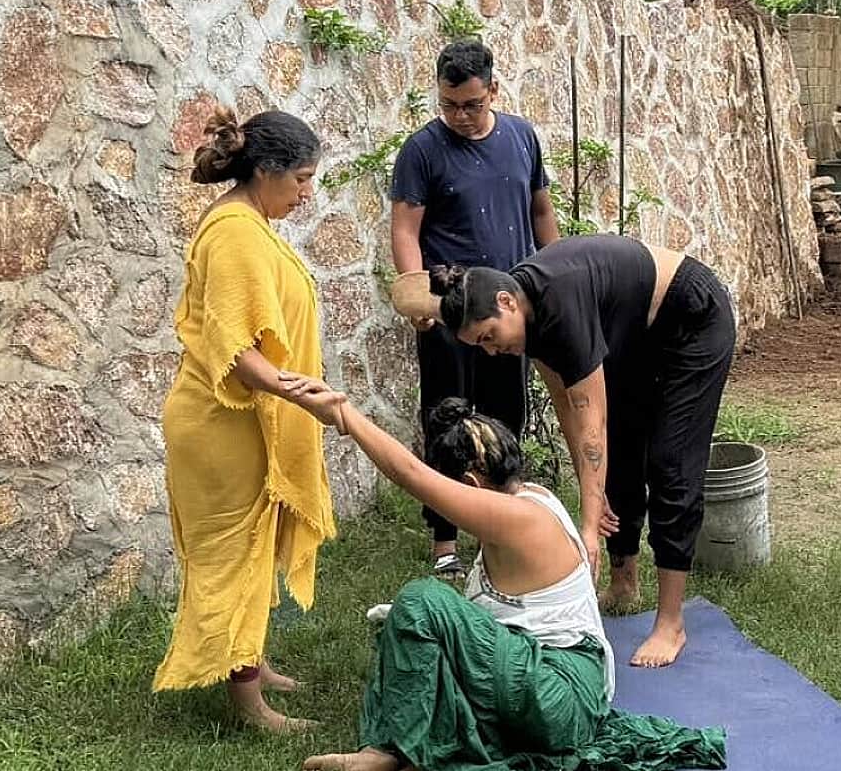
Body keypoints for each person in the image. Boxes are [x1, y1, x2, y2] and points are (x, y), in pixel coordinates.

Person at [276, 392, 727, 771]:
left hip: (560, 699)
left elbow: (412, 476)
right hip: (544, 686)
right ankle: (400, 747)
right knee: (406, 627)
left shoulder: (520, 517)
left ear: (471, 482)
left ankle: (386, 751)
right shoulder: (525, 501)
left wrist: (345, 415)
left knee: (421, 600)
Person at [416, 234, 736, 669]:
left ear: (507, 302)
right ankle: (624, 582)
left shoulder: (560, 302)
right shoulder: (530, 320)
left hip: (691, 317)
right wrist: (593, 489)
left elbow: (590, 424)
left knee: (671, 464)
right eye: (482, 346)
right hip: (639, 333)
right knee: (618, 453)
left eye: (490, 336)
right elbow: (570, 407)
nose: (492, 350)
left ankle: (670, 622)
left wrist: (589, 529)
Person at [153, 107, 336, 731]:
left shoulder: (250, 220)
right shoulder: (233, 231)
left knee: (255, 544)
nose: (307, 193)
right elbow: (238, 348)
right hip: (221, 421)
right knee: (234, 550)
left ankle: (250, 659)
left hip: (243, 417)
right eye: (301, 179)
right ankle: (248, 702)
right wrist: (305, 394)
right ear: (264, 171)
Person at [389, 39, 559, 580]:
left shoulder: (522, 138)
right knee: (447, 415)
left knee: (506, 414)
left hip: (508, 308)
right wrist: (416, 294)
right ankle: (444, 543)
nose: (460, 116)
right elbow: (405, 229)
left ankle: (502, 525)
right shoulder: (422, 150)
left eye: (471, 104)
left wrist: (556, 277)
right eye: (449, 105)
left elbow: (541, 212)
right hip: (449, 310)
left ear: (493, 91)